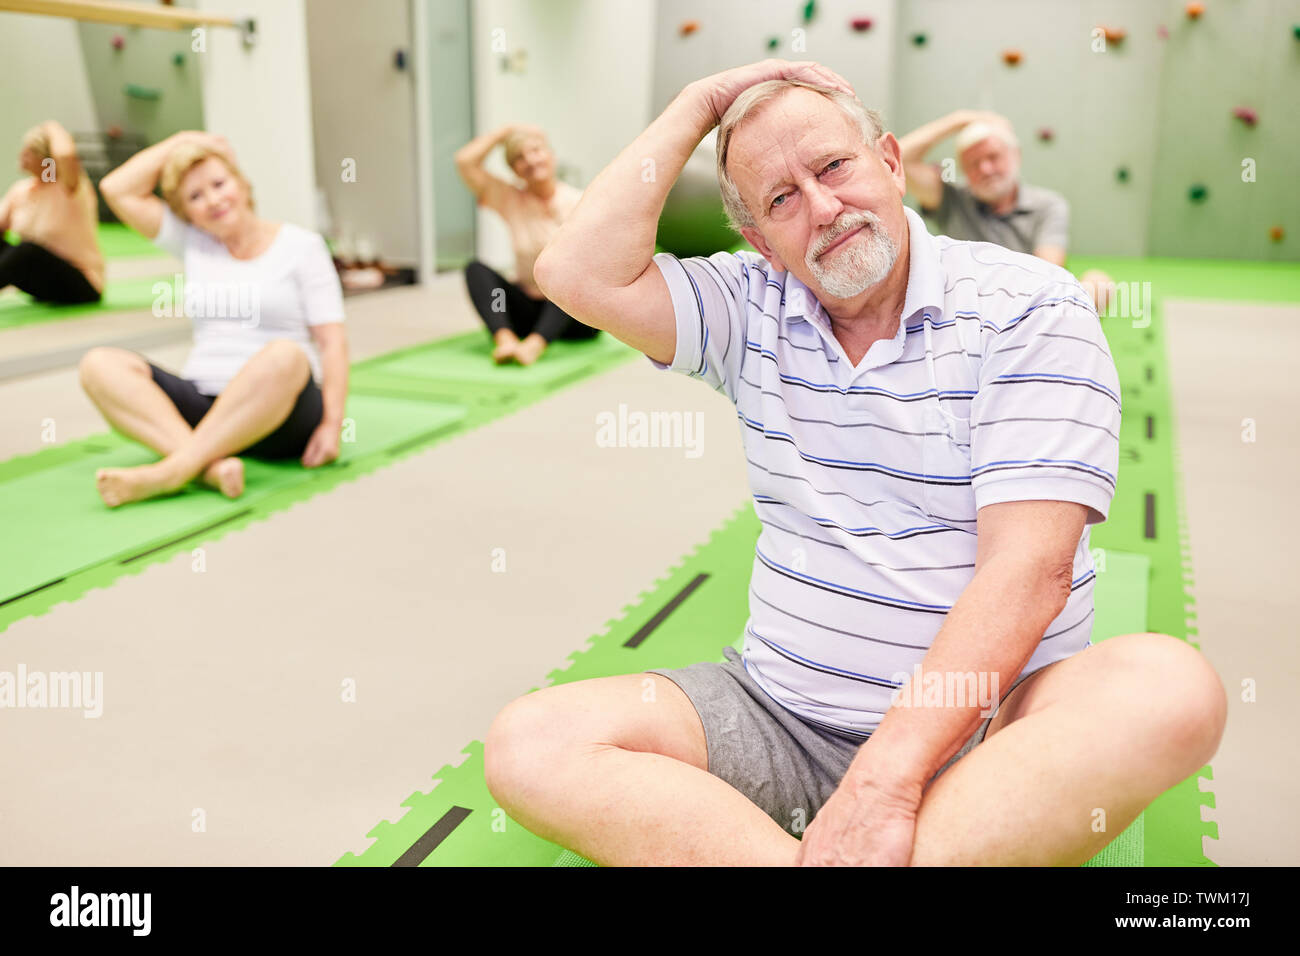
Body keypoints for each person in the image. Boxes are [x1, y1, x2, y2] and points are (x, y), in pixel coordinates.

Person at [482, 60, 1226, 866]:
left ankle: (886, 827)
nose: (825, 208)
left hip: (990, 733)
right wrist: (698, 105)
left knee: (1169, 688)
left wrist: (885, 782)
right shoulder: (748, 304)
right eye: (781, 199)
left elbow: (1030, 573)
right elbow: (572, 273)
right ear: (761, 243)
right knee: (531, 741)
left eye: (833, 165)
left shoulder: (1033, 305)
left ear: (893, 163)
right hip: (781, 715)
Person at [80, 131, 348, 508]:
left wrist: (332, 425)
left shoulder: (302, 247)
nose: (213, 200)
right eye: (195, 196)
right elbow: (116, 188)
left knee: (286, 355)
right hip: (206, 404)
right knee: (99, 365)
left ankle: (171, 472)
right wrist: (186, 139)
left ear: (241, 182)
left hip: (282, 415)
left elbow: (332, 342)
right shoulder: (193, 242)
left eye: (219, 183)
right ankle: (208, 468)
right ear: (185, 211)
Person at [899, 110, 1114, 312]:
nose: (985, 169)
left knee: (1099, 283)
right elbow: (899, 159)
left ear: (1016, 156)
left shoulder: (1049, 205)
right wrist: (960, 120)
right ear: (964, 170)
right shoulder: (952, 201)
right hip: (969, 307)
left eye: (993, 157)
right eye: (973, 163)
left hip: (1030, 306)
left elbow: (1049, 272)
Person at [454, 123, 599, 365]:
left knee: (568, 272)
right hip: (527, 312)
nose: (530, 160)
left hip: (575, 318)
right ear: (514, 170)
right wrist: (504, 132)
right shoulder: (510, 199)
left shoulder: (579, 200)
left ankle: (534, 346)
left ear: (551, 156)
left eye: (536, 150)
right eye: (519, 158)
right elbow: (464, 162)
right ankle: (506, 339)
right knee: (476, 270)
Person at [0, 121, 104, 305]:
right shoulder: (21, 190)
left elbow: (66, 155)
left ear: (46, 159)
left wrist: (51, 126)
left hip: (80, 285)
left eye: (30, 150)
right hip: (41, 284)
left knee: (27, 250)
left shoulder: (69, 188)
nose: (22, 154)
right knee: (22, 250)